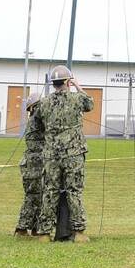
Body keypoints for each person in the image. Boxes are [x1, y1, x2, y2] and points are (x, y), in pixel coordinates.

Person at [38, 65, 94, 243]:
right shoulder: (76, 99)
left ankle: (45, 233)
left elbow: (39, 123)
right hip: (73, 154)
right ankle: (78, 233)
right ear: (67, 81)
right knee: (74, 191)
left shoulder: (44, 102)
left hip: (51, 155)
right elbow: (90, 104)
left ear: (53, 83)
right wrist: (78, 86)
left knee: (50, 191)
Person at [14, 92, 50, 238]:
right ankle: (21, 229)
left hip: (35, 162)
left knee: (39, 196)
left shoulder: (35, 119)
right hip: (34, 163)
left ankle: (35, 228)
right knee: (33, 196)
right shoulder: (37, 120)